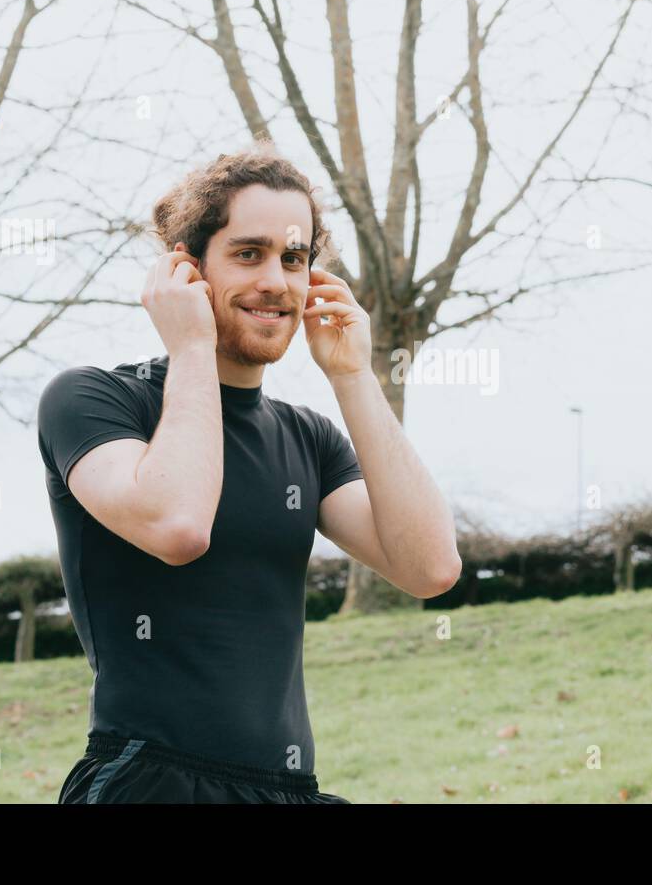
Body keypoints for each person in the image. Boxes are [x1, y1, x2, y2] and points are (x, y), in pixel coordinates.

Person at [38, 143, 461, 803]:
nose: (276, 280)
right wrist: (193, 347)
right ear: (187, 266)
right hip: (151, 781)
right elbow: (178, 525)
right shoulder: (93, 401)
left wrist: (353, 375)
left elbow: (429, 566)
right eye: (248, 253)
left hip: (287, 789)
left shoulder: (308, 438)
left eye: (294, 259)